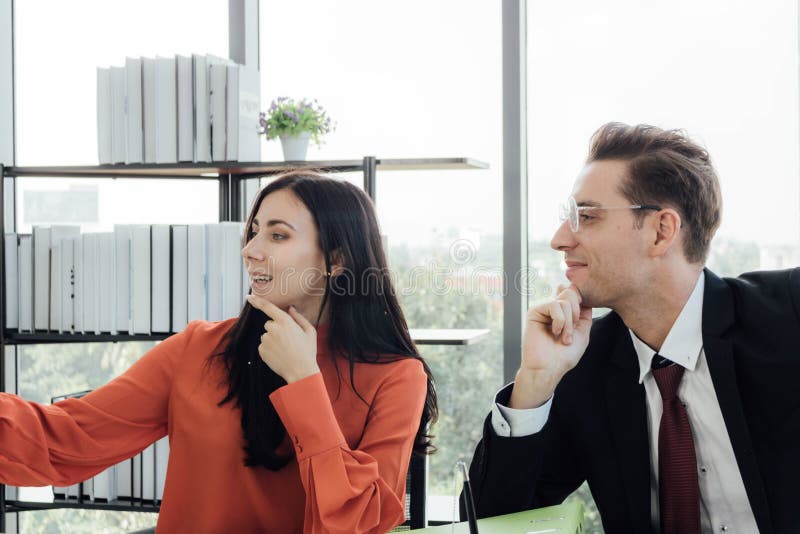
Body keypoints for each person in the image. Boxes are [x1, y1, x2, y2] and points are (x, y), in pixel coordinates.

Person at [0, 170, 437, 533]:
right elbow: (64, 440)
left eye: (278, 235)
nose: (251, 250)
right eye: (253, 232)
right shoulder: (199, 349)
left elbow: (357, 522)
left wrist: (304, 381)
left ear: (336, 260)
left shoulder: (397, 378)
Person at [467, 123, 799, 534]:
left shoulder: (789, 313)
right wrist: (535, 383)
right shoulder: (583, 364)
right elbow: (490, 521)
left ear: (661, 231)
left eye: (586, 217)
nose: (559, 239)